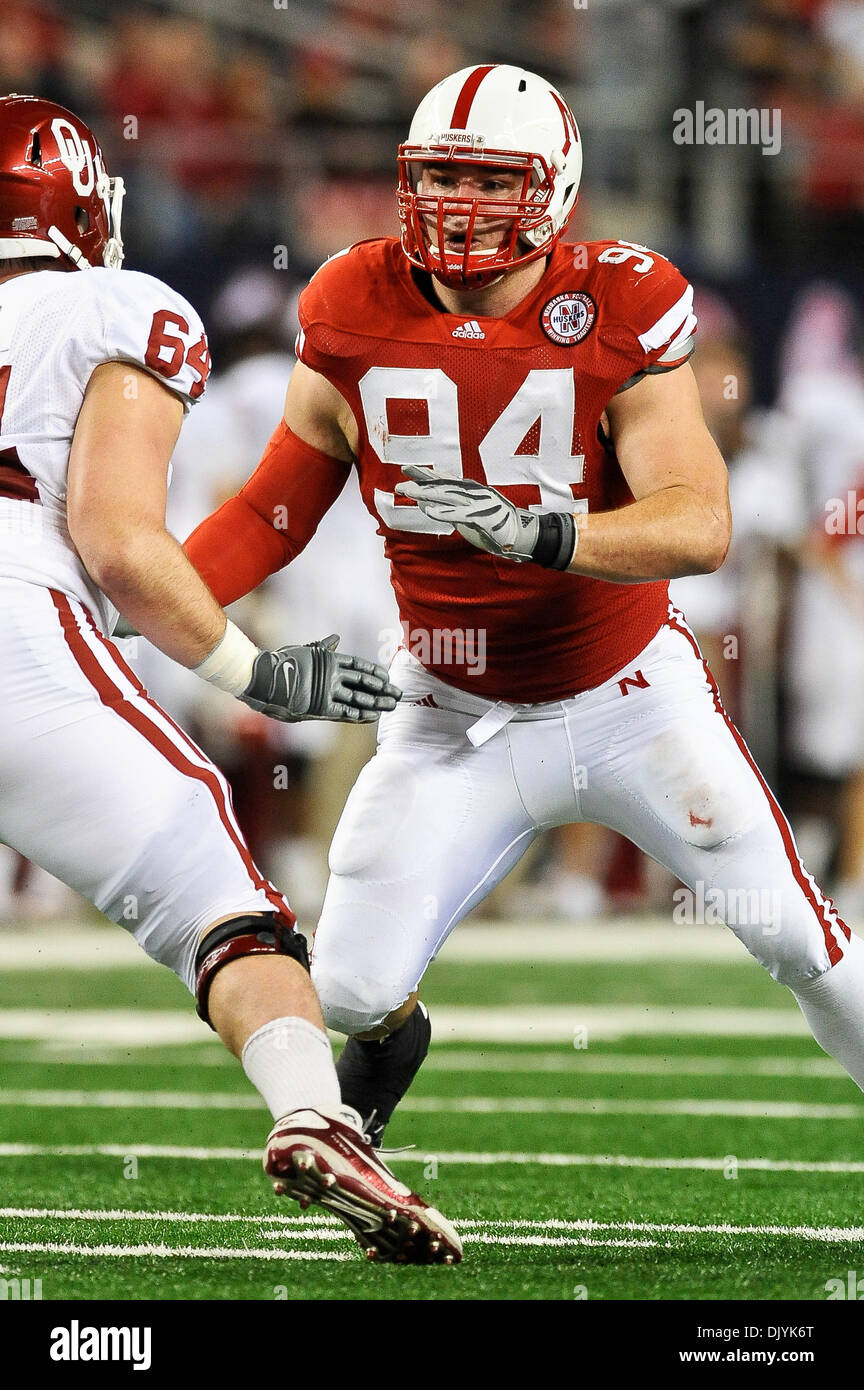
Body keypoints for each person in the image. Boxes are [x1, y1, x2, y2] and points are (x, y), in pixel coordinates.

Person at [183, 63, 864, 1148]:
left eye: (490, 180)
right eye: (440, 176)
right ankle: (396, 1037)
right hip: (452, 708)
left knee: (801, 941)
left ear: (555, 188)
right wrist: (143, 595)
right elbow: (271, 511)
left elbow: (698, 520)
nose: (459, 205)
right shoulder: (353, 301)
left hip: (631, 696)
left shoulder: (619, 302)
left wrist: (555, 533)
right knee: (348, 989)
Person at [0, 94, 461, 1264]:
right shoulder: (114, 305)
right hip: (18, 636)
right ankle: (318, 1112)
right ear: (75, 203)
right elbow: (116, 540)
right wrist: (256, 668)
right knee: (224, 901)